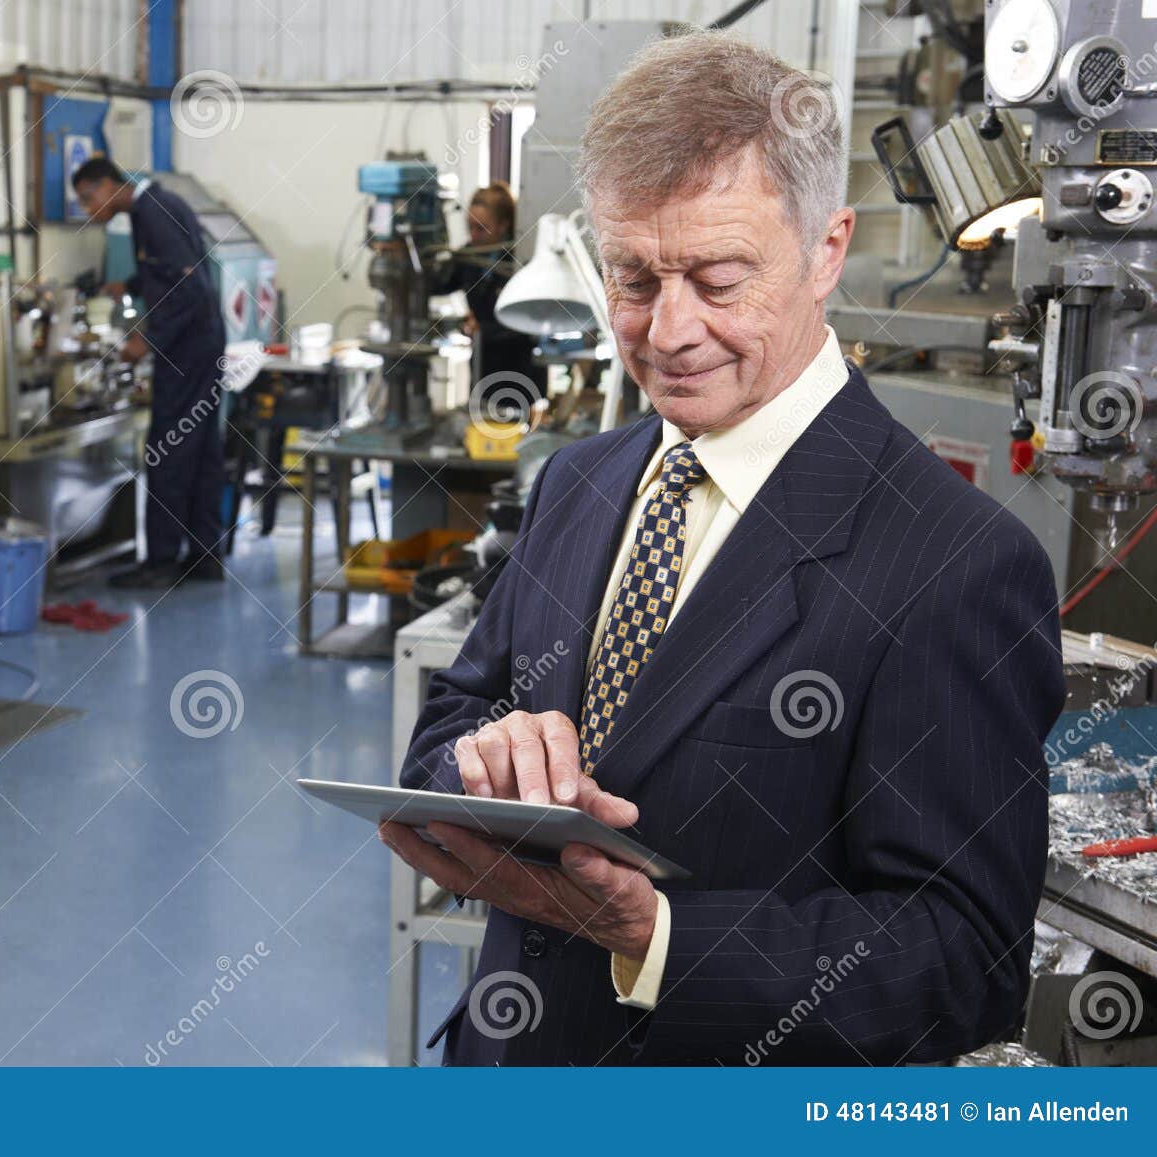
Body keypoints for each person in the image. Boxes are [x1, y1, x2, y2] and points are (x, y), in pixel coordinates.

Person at [385, 31, 1066, 1065]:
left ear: (826, 250)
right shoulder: (581, 482)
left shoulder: (953, 561)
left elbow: (963, 960)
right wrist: (479, 759)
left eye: (717, 277)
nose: (668, 333)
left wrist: (654, 935)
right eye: (633, 280)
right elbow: (454, 714)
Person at [73, 156, 226, 590]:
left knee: (167, 450)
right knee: (200, 451)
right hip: (202, 342)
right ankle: (204, 556)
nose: (89, 211)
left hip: (187, 349)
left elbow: (189, 289)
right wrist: (131, 286)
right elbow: (173, 270)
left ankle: (159, 561)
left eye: (89, 199)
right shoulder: (156, 206)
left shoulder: (152, 214)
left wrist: (147, 341)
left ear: (108, 185)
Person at [447, 182, 540, 418]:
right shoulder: (469, 256)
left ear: (503, 225)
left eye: (481, 228)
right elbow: (438, 282)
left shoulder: (522, 261)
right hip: (481, 368)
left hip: (517, 370)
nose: (474, 235)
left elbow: (527, 324)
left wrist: (482, 328)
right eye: (470, 227)